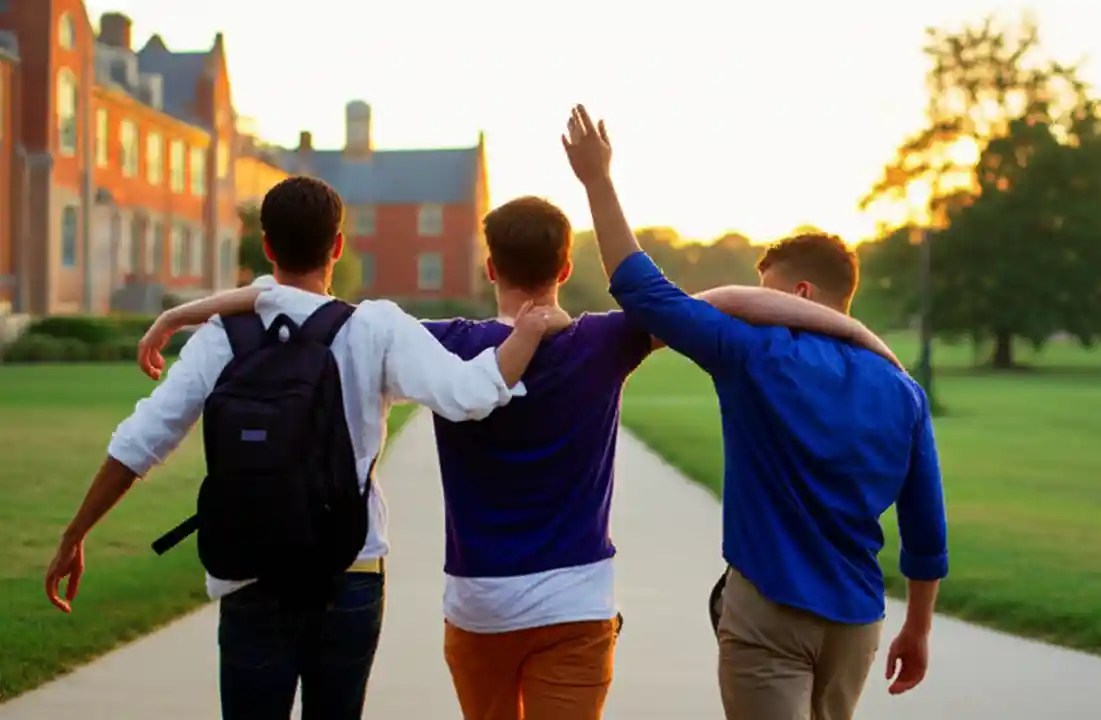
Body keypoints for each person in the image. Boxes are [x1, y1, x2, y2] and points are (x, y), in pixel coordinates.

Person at [138, 194, 902, 719]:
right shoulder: (606, 339)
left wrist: (186, 310)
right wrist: (861, 335)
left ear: (489, 265)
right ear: (565, 267)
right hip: (576, 605)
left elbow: (300, 305)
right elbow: (735, 298)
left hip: (479, 608)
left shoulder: (441, 341)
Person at [43, 176, 563, 720]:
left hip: (250, 572)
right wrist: (529, 331)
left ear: (266, 246)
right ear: (338, 245)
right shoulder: (375, 329)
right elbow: (470, 396)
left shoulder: (223, 337)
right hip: (350, 570)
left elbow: (140, 442)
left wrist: (74, 535)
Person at [562, 105, 948, 720]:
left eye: (764, 292)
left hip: (770, 608)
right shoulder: (903, 391)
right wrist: (919, 630)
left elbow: (640, 289)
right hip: (857, 623)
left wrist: (597, 181)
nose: (754, 306)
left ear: (798, 295)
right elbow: (925, 531)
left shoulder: (756, 353)